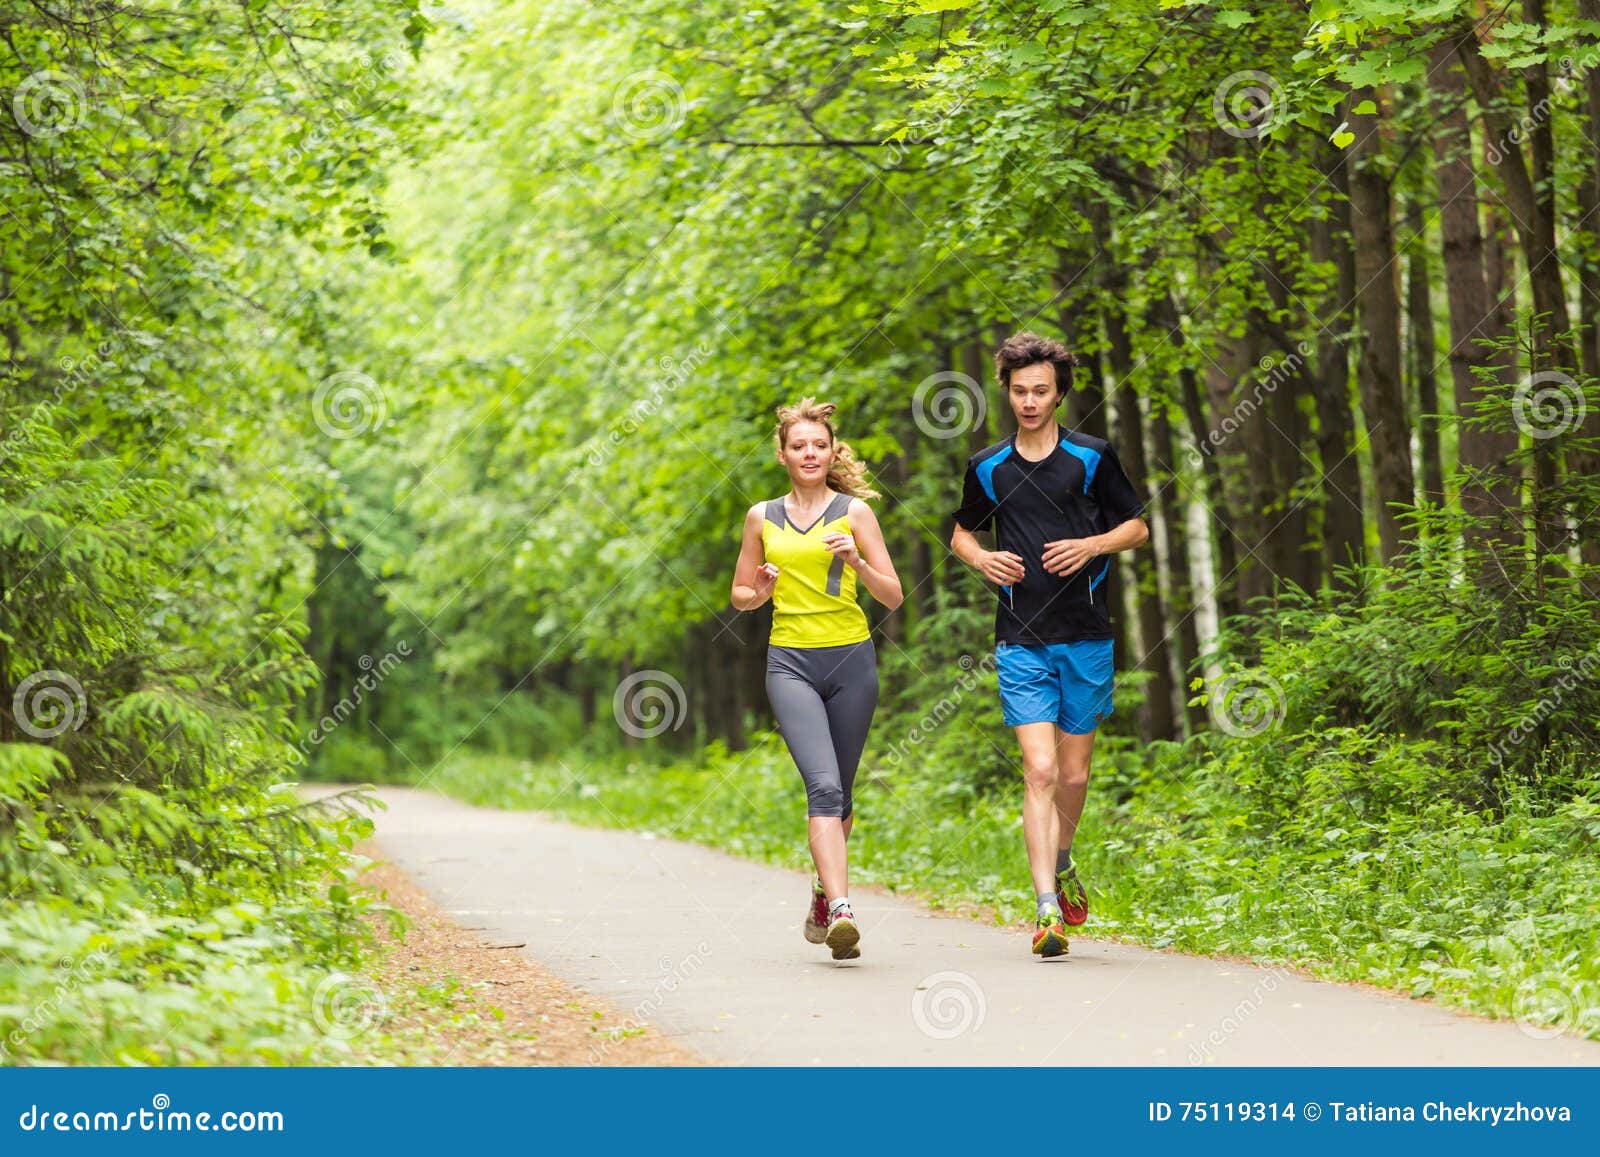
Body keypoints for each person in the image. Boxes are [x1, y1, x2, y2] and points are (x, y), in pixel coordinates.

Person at [949, 332, 1149, 959]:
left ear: (1060, 393)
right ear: (1006, 393)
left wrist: (1093, 546)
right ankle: (1044, 911)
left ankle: (1063, 861)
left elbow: (1137, 526)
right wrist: (982, 558)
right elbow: (960, 531)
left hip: (1085, 633)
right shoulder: (988, 466)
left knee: (1074, 772)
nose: (1030, 402)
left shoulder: (1092, 457)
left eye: (1040, 391)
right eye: (1019, 391)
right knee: (1037, 769)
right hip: (1020, 637)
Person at [730, 398, 903, 961]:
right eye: (799, 445)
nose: (810, 453)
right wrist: (759, 589)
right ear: (782, 454)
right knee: (823, 787)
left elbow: (893, 594)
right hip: (790, 664)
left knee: (844, 795)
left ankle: (822, 893)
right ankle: (845, 909)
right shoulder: (762, 516)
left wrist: (856, 560)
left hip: (851, 662)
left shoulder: (854, 514)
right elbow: (740, 595)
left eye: (819, 445)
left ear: (832, 453)